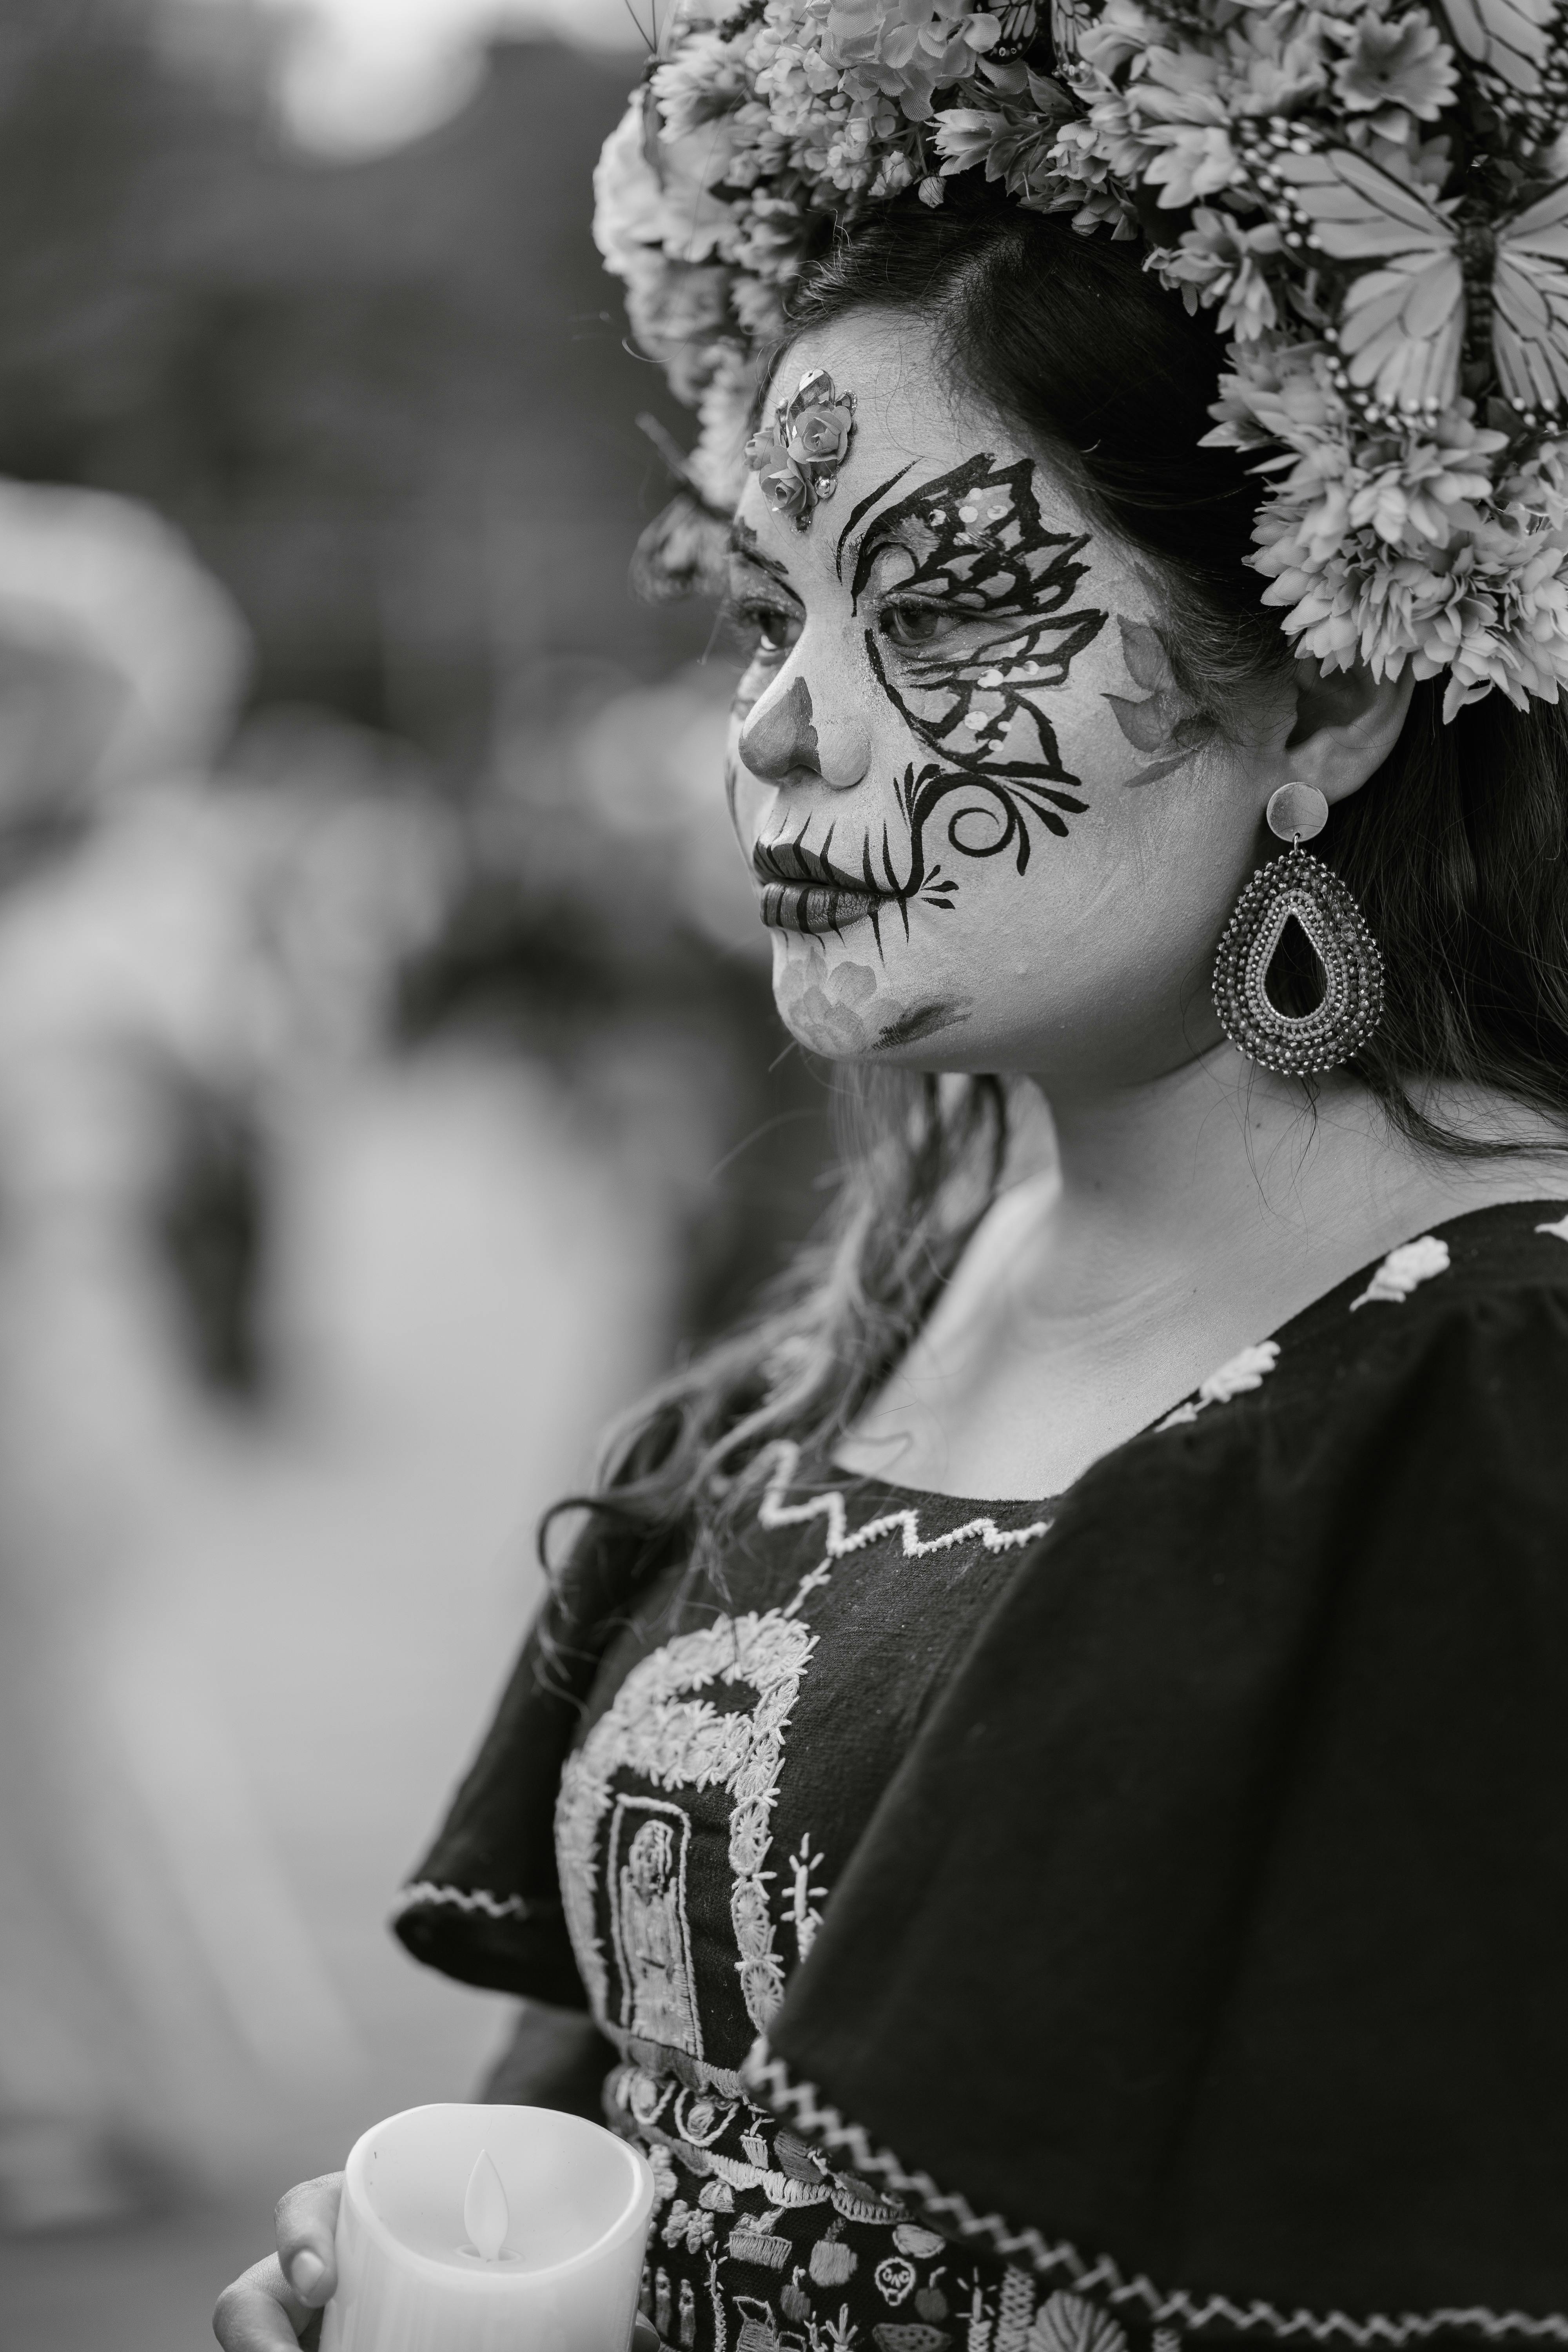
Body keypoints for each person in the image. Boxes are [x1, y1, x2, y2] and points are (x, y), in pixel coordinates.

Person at [215, 6, 1568, 2349]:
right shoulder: (891, 1280)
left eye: (935, 605)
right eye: (769, 607)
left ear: (1330, 696)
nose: (774, 723)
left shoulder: (1510, 1396)